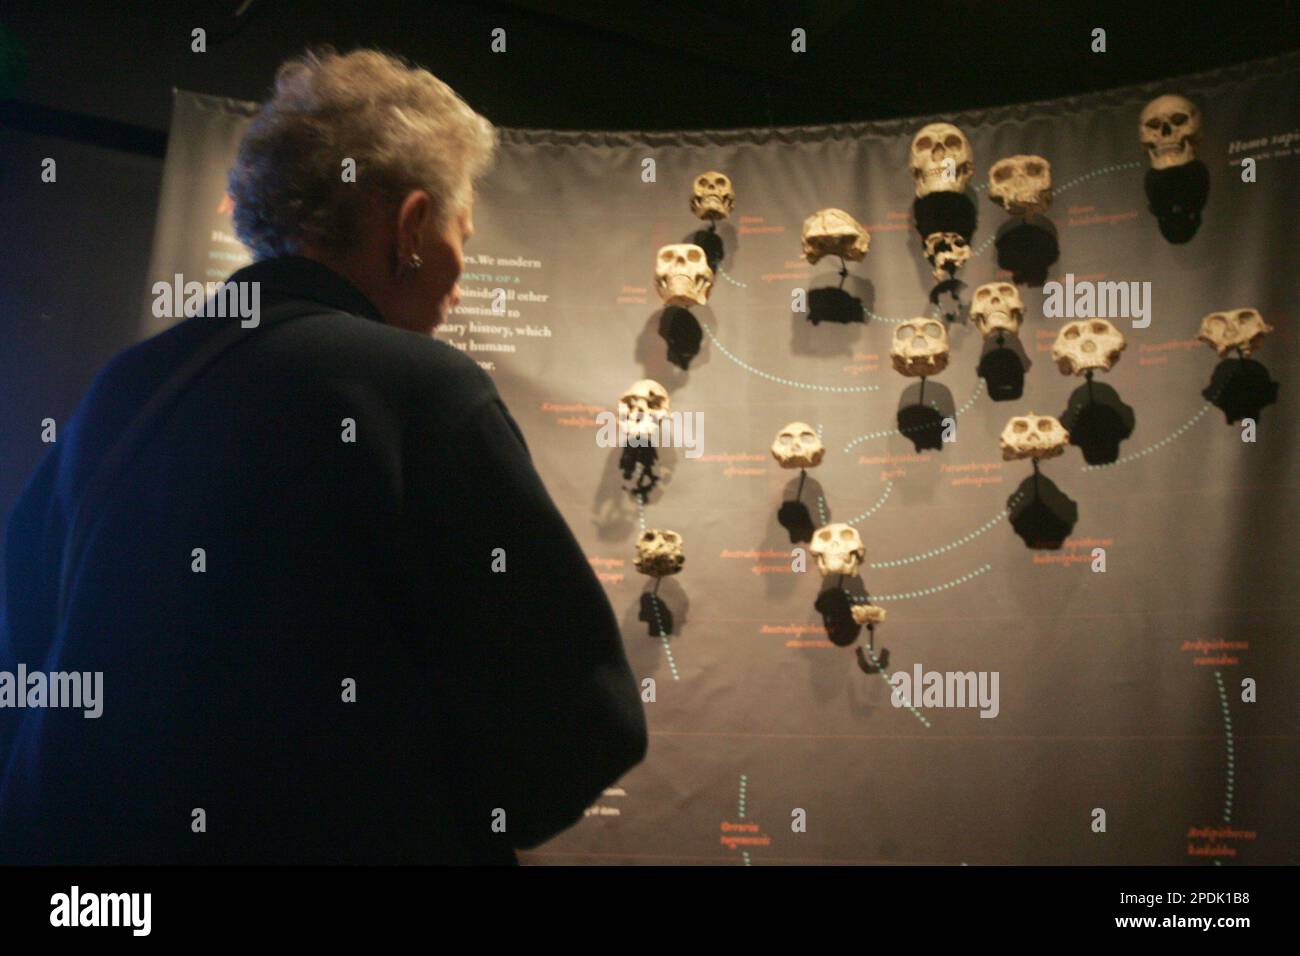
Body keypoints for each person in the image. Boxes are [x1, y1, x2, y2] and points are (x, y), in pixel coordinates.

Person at [0, 48, 647, 864]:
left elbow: (22, 661)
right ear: (411, 226)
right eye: (460, 233)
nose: (459, 270)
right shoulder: (421, 390)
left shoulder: (124, 389)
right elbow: (582, 720)